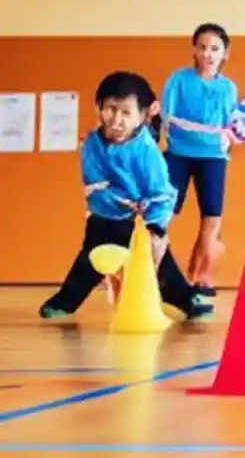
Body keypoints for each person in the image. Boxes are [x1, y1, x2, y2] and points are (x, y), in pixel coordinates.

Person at [40, 71, 213, 322]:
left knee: (161, 265)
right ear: (99, 107)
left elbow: (161, 193)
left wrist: (155, 228)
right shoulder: (91, 143)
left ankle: (186, 299)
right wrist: (119, 201)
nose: (117, 120)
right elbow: (95, 185)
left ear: (143, 115)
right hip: (103, 218)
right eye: (110, 109)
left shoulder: (146, 151)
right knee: (88, 262)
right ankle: (65, 302)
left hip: (140, 222)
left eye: (126, 112)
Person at [158, 22, 239, 302]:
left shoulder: (228, 88)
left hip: (213, 157)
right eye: (202, 47)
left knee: (212, 218)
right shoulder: (178, 80)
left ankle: (199, 277)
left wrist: (238, 127)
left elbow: (231, 119)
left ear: (224, 53)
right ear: (193, 49)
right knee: (164, 214)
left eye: (214, 49)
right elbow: (164, 117)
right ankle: (157, 270)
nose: (207, 54)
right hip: (178, 153)